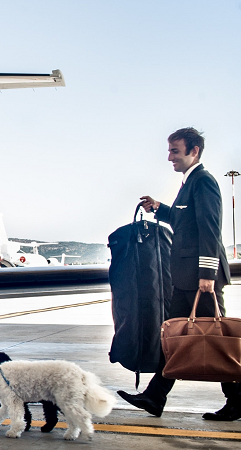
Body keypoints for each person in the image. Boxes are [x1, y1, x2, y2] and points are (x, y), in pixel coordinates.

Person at [118, 127, 239, 421]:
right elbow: (184, 222)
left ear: (193, 151)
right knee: (173, 336)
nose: (169, 156)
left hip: (201, 279)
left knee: (218, 338)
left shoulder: (204, 182)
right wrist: (159, 208)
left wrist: (207, 275)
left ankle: (237, 399)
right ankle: (155, 396)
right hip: (186, 277)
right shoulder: (189, 183)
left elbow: (210, 228)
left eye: (175, 150)